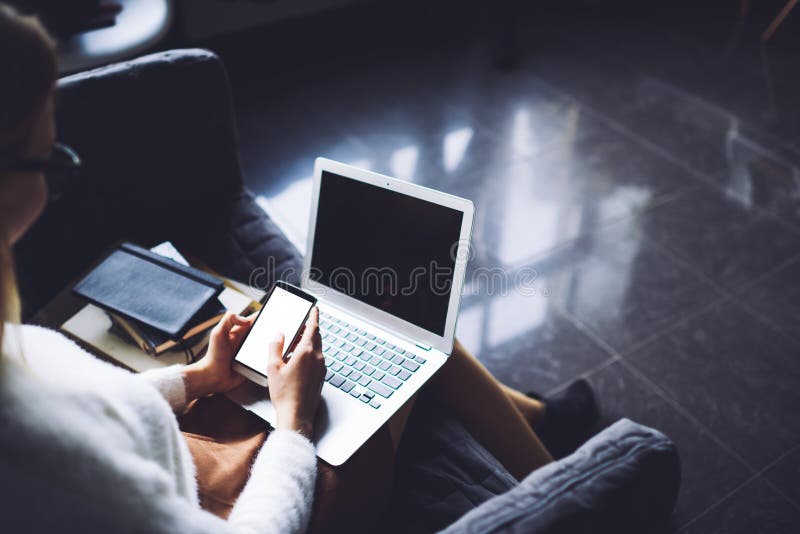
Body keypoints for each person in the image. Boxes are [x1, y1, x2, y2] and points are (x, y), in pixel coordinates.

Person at [0, 4, 598, 532]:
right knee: (401, 331)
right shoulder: (34, 462)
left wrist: (196, 380)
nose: (59, 180)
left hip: (206, 454)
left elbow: (87, 410)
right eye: (53, 159)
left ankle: (546, 421)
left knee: (392, 335)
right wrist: (293, 422)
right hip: (280, 498)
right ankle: (578, 490)